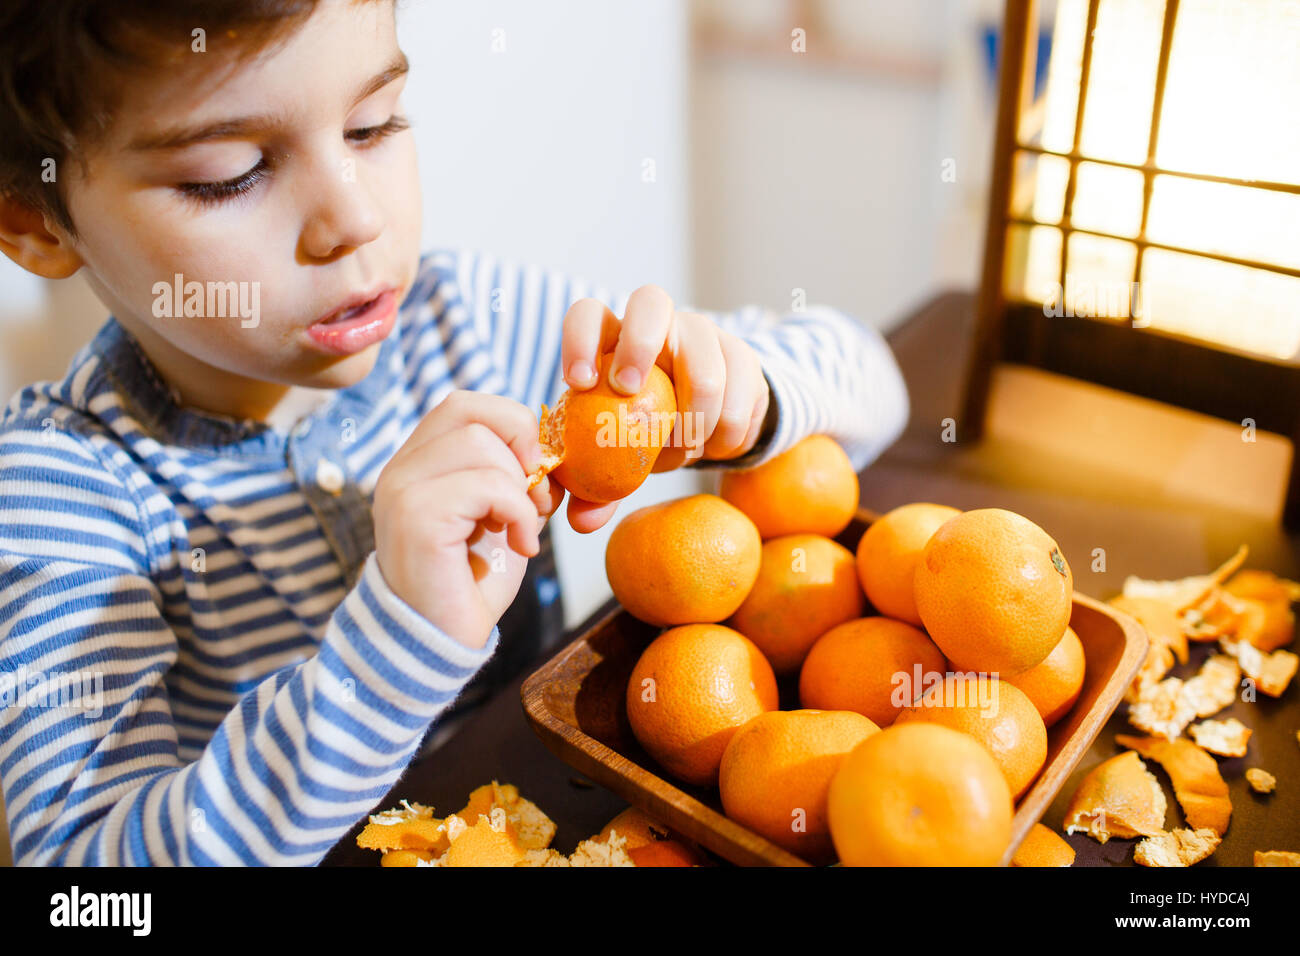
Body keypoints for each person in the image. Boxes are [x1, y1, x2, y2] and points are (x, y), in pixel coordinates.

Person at [0, 0, 909, 865]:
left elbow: (872, 378)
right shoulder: (59, 495)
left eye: (374, 125)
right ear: (34, 221)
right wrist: (395, 639)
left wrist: (747, 389)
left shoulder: (462, 322)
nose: (355, 220)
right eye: (229, 173)